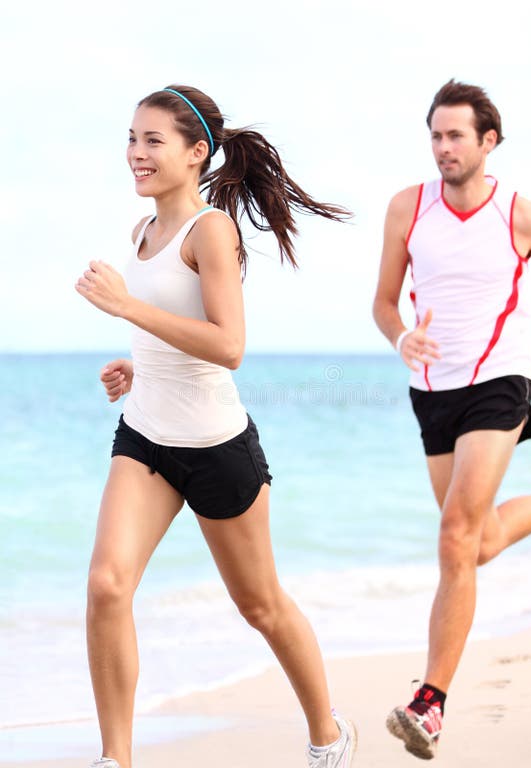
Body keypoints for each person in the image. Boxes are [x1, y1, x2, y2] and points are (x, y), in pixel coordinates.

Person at [75, 84, 356, 768]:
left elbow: (229, 345)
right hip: (145, 437)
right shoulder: (142, 232)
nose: (135, 154)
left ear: (196, 152)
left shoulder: (213, 230)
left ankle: (328, 735)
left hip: (216, 448)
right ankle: (116, 758)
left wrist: (127, 311)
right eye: (132, 139)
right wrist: (138, 367)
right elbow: (175, 338)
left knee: (259, 606)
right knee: (108, 585)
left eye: (153, 141)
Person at [372, 79, 531, 760]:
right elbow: (383, 305)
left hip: (501, 381)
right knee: (477, 542)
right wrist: (403, 339)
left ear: (489, 141)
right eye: (435, 134)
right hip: (431, 388)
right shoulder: (407, 208)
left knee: (454, 535)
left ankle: (429, 703)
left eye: (456, 135)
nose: (443, 147)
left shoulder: (524, 216)